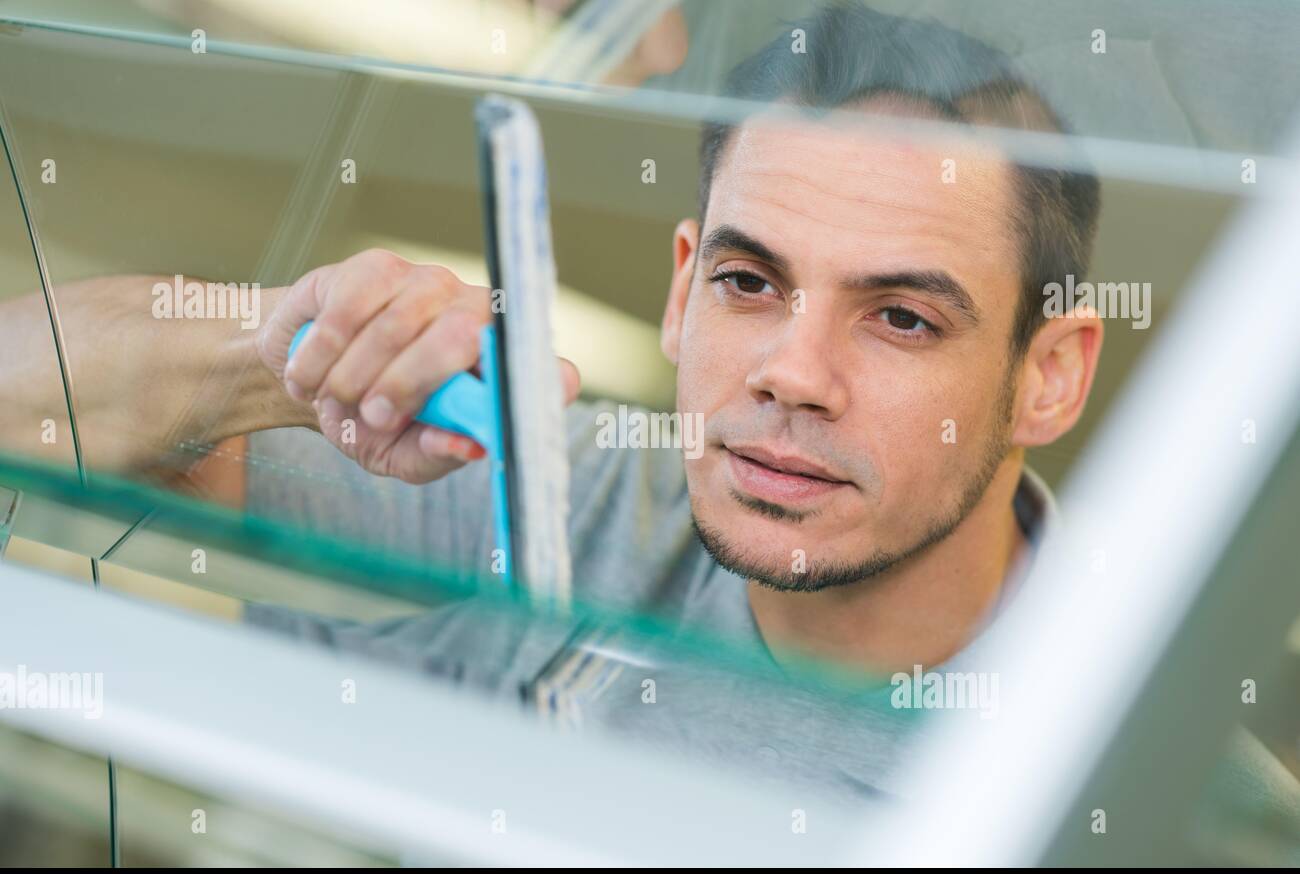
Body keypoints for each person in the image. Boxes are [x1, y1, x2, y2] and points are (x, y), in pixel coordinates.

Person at [0, 5, 1104, 800]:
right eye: (748, 282)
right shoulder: (564, 488)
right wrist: (290, 347)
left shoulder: (1124, 752)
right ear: (683, 290)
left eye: (902, 317)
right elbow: (24, 402)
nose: (791, 375)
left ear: (1047, 375)